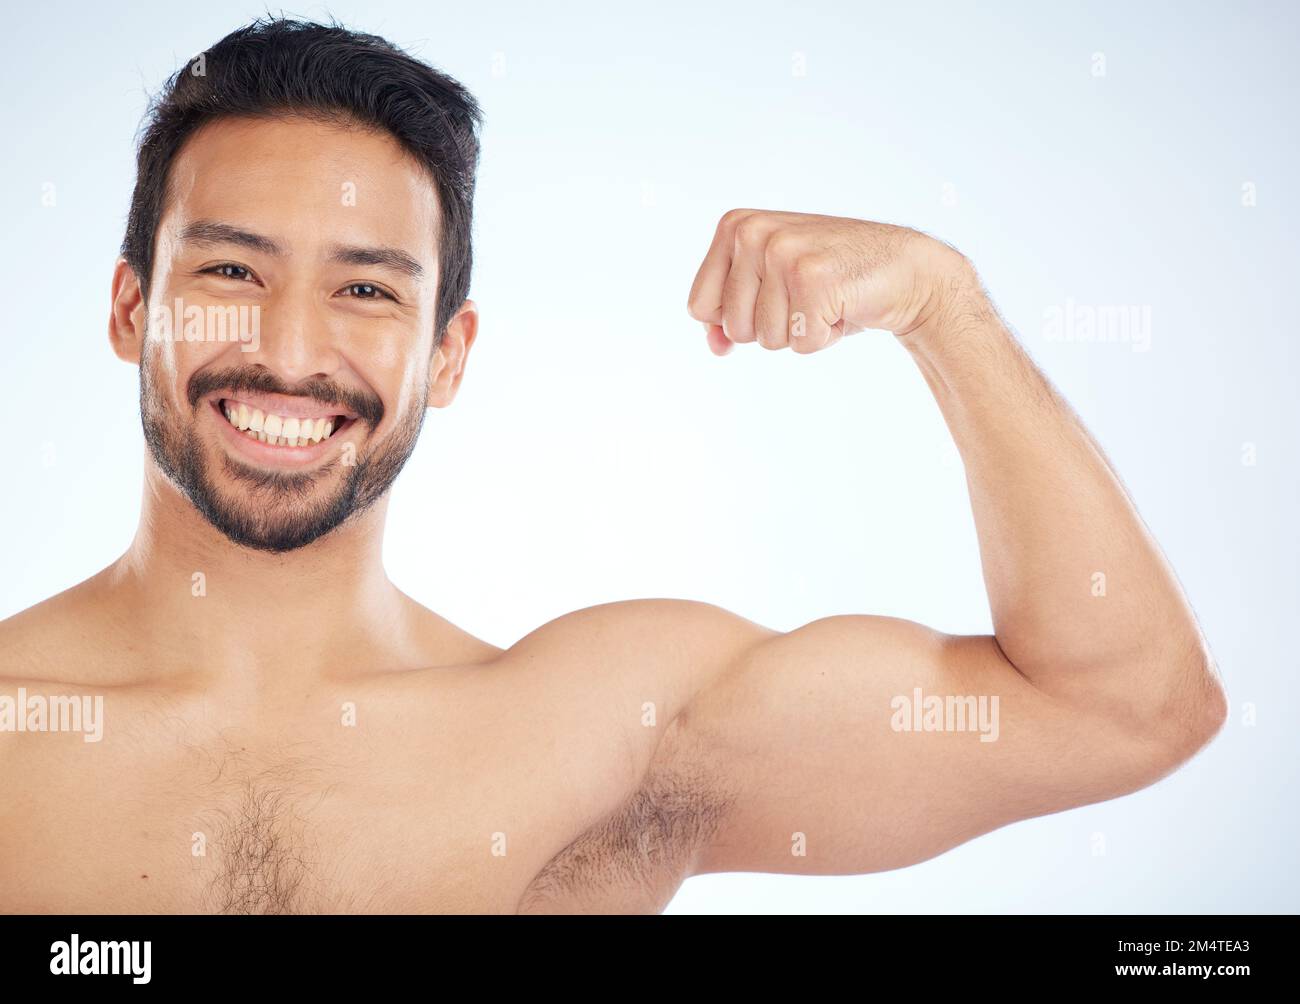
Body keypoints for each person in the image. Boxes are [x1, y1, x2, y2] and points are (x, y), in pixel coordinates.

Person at [0, 18, 1227, 914]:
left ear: (449, 353)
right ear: (129, 308)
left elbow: (1123, 712)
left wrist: (942, 306)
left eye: (366, 287)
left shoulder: (608, 737)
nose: (288, 349)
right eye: (229, 271)